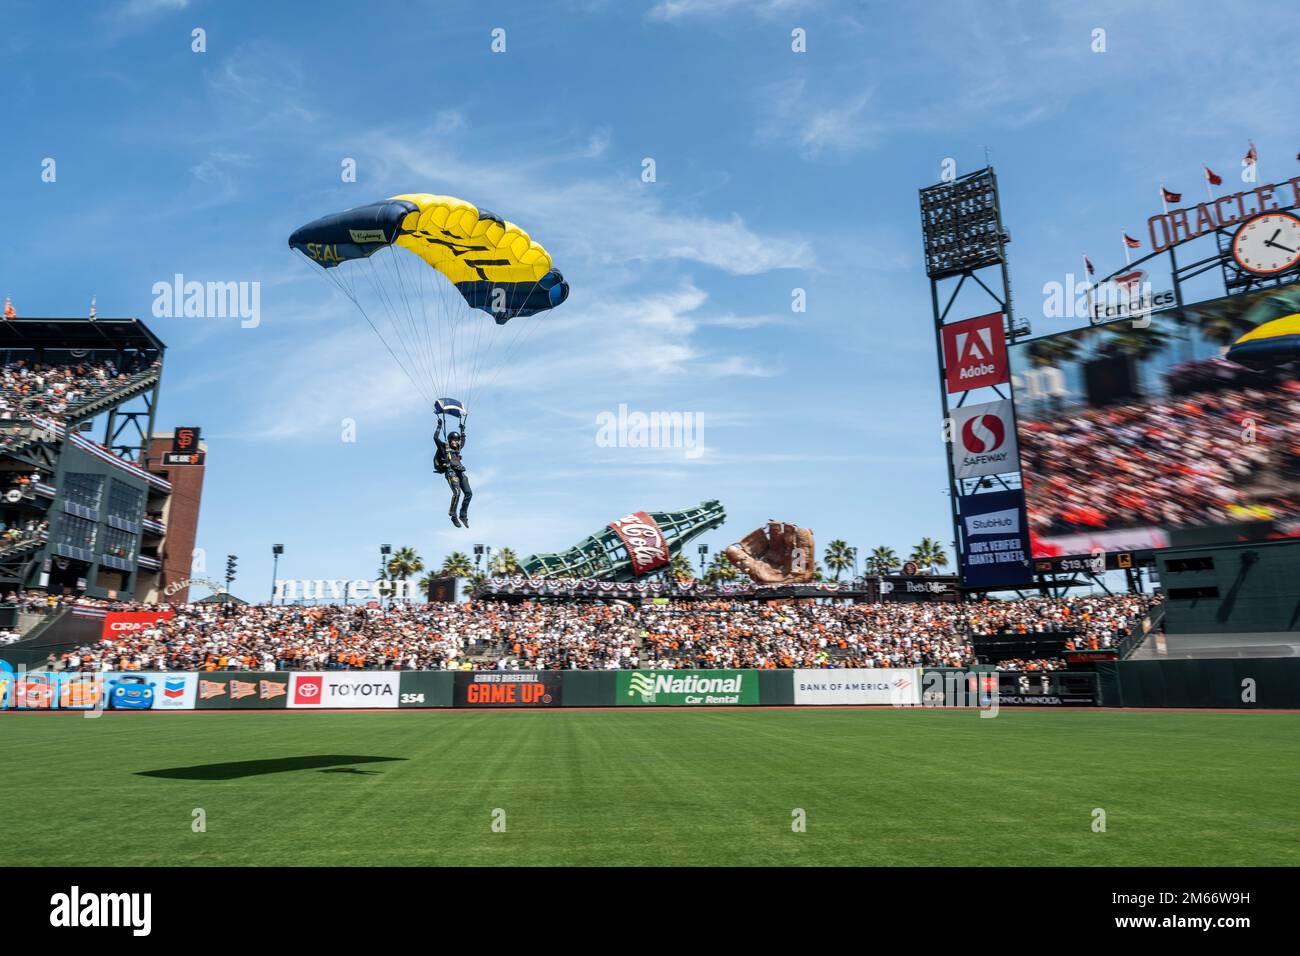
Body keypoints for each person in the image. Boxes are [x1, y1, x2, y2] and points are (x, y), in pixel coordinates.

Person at [434, 418, 472, 528]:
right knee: (457, 492)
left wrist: (463, 430)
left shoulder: (458, 448)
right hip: (451, 472)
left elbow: (463, 441)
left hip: (460, 472)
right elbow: (435, 438)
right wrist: (439, 426)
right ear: (450, 440)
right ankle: (453, 515)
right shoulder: (444, 447)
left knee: (469, 493)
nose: (456, 442)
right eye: (454, 440)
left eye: (457, 440)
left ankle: (463, 515)